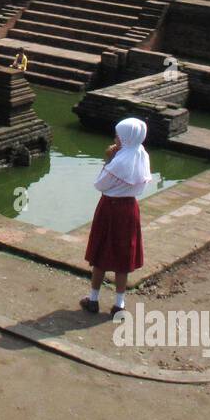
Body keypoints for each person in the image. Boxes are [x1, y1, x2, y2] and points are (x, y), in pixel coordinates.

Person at [80, 117, 151, 317]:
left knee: (101, 254)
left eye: (118, 136)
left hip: (110, 208)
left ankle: (93, 300)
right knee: (123, 256)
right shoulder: (141, 154)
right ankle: (119, 305)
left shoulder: (120, 160)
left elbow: (100, 185)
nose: (115, 138)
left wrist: (109, 160)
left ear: (126, 138)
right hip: (129, 208)